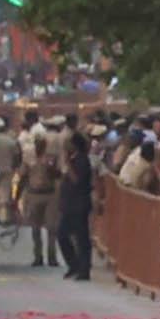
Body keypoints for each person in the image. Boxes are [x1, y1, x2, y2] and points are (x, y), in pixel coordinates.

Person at [59, 120, 100, 285]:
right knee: (62, 236)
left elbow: (77, 181)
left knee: (81, 238)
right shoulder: (73, 159)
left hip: (79, 205)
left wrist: (68, 166)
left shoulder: (82, 160)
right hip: (69, 205)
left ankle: (84, 269)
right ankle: (74, 264)